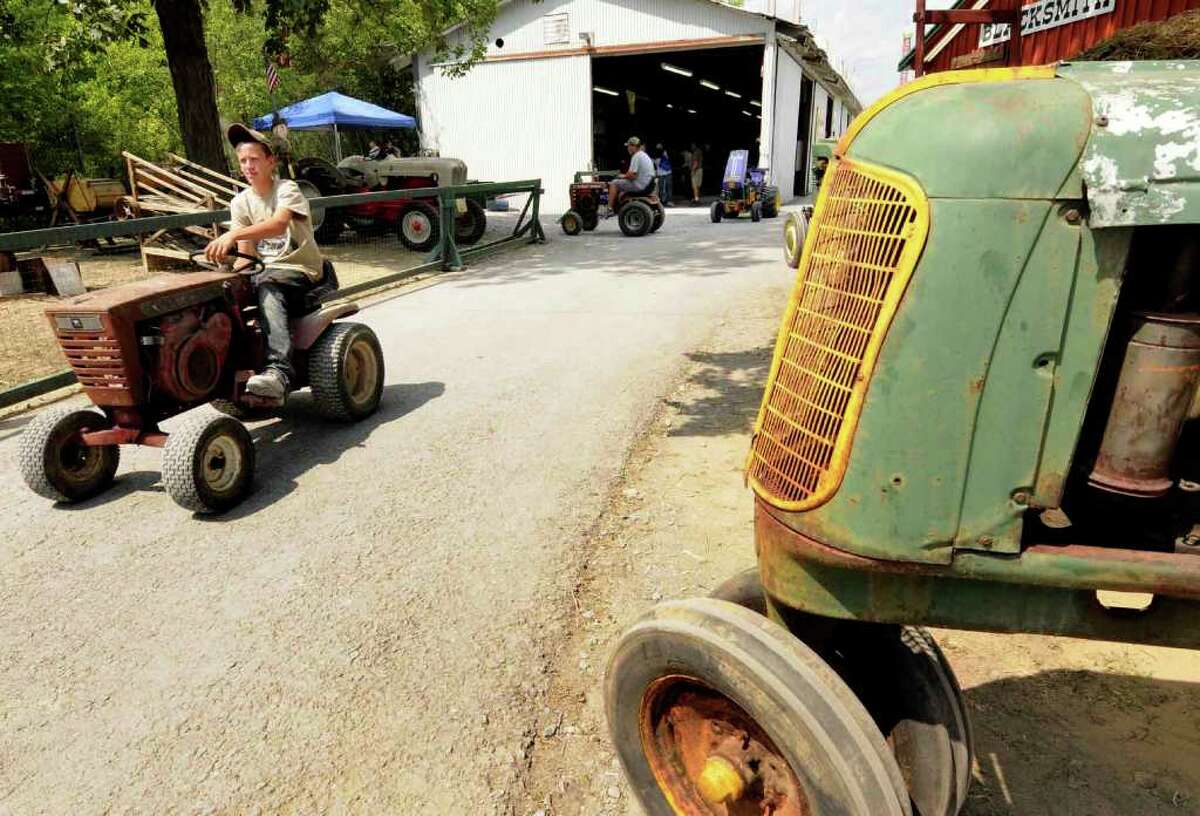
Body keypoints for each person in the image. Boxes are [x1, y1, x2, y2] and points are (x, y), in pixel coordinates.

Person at [204, 123, 326, 402]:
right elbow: (247, 254)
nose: (248, 166)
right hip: (263, 270)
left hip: (297, 268)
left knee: (268, 284)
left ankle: (279, 372)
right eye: (243, 160)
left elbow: (278, 224)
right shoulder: (240, 203)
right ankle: (221, 368)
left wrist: (233, 234)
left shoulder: (288, 189)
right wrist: (229, 277)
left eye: (254, 159)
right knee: (220, 292)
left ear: (271, 161)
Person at [605, 136, 655, 217]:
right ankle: (619, 205)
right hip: (648, 185)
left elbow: (632, 176)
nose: (628, 148)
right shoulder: (644, 155)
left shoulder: (636, 156)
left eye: (628, 146)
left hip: (640, 185)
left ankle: (609, 209)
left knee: (614, 183)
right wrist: (624, 176)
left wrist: (621, 176)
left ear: (633, 146)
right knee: (621, 183)